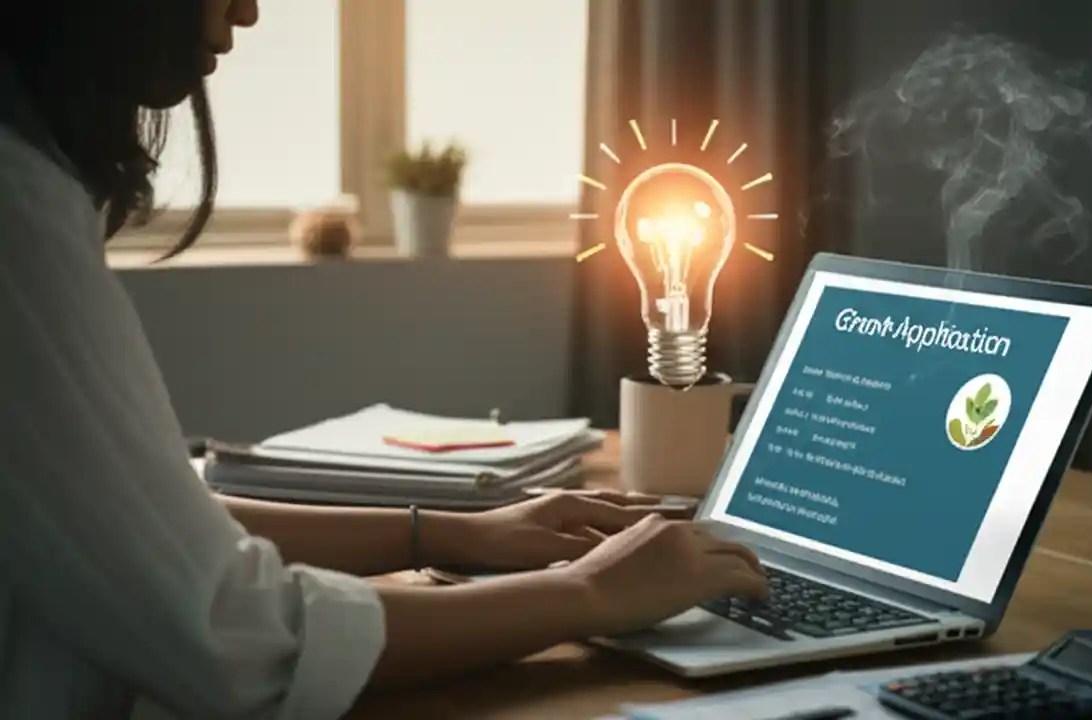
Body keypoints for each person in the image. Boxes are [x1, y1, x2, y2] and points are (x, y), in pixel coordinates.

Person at [0, 1, 769, 718]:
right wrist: (589, 593)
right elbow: (245, 641)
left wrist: (456, 532)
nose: (248, 9)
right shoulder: (16, 216)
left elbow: (162, 520)